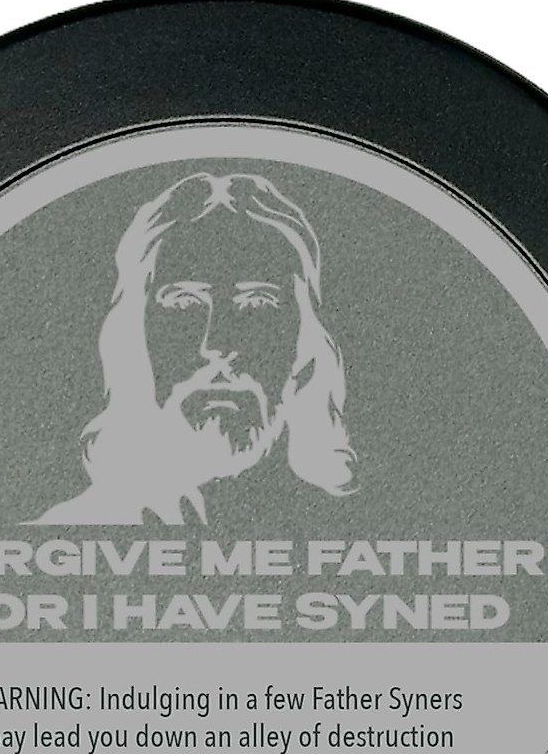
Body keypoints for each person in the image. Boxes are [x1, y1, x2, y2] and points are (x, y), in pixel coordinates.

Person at [29, 172, 356, 523]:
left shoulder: (380, 533)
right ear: (132, 335)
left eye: (258, 303)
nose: (218, 345)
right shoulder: (62, 533)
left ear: (306, 337)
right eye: (185, 303)